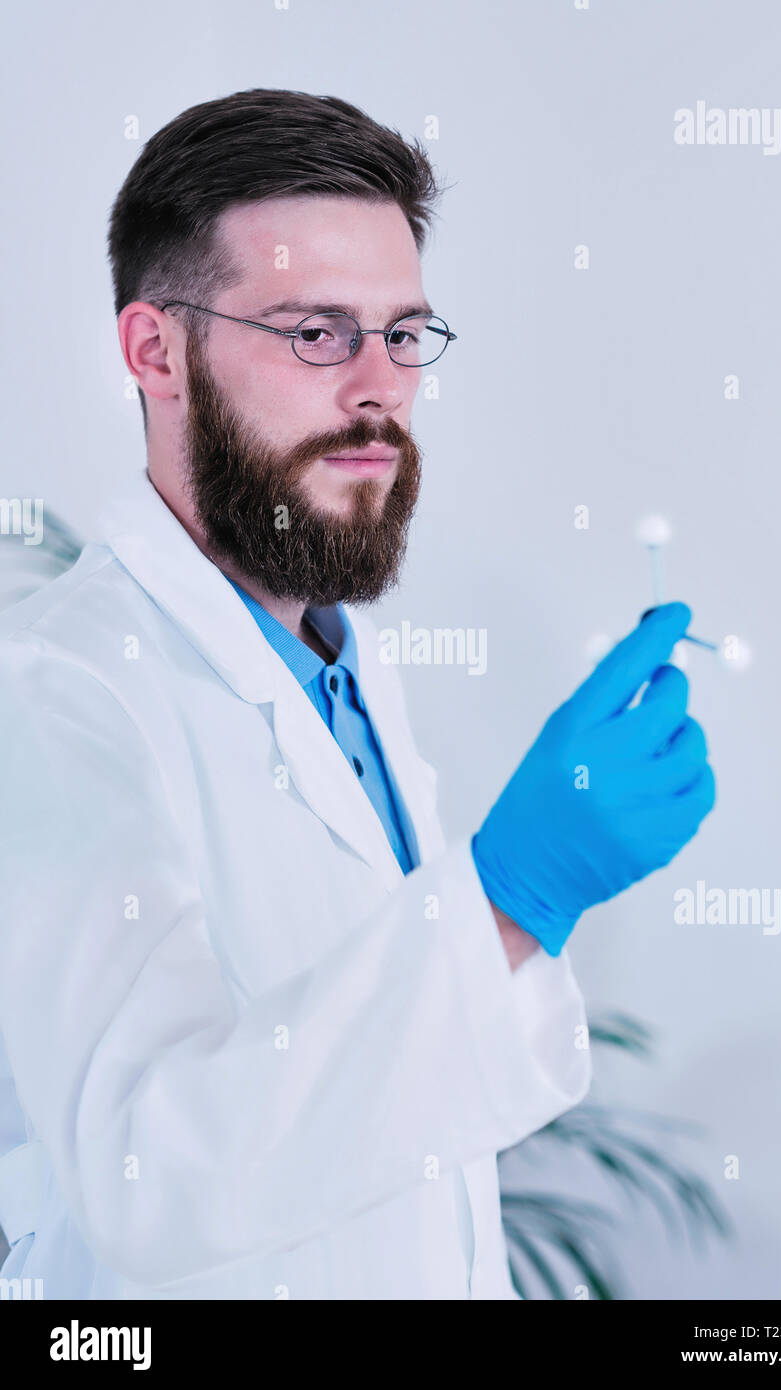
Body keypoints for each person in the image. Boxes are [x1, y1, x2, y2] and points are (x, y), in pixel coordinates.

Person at [0, 89, 714, 1300]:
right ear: (154, 350)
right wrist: (507, 898)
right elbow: (146, 1169)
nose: (379, 387)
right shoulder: (59, 696)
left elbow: (387, 1123)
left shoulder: (338, 664)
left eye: (404, 332)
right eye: (318, 333)